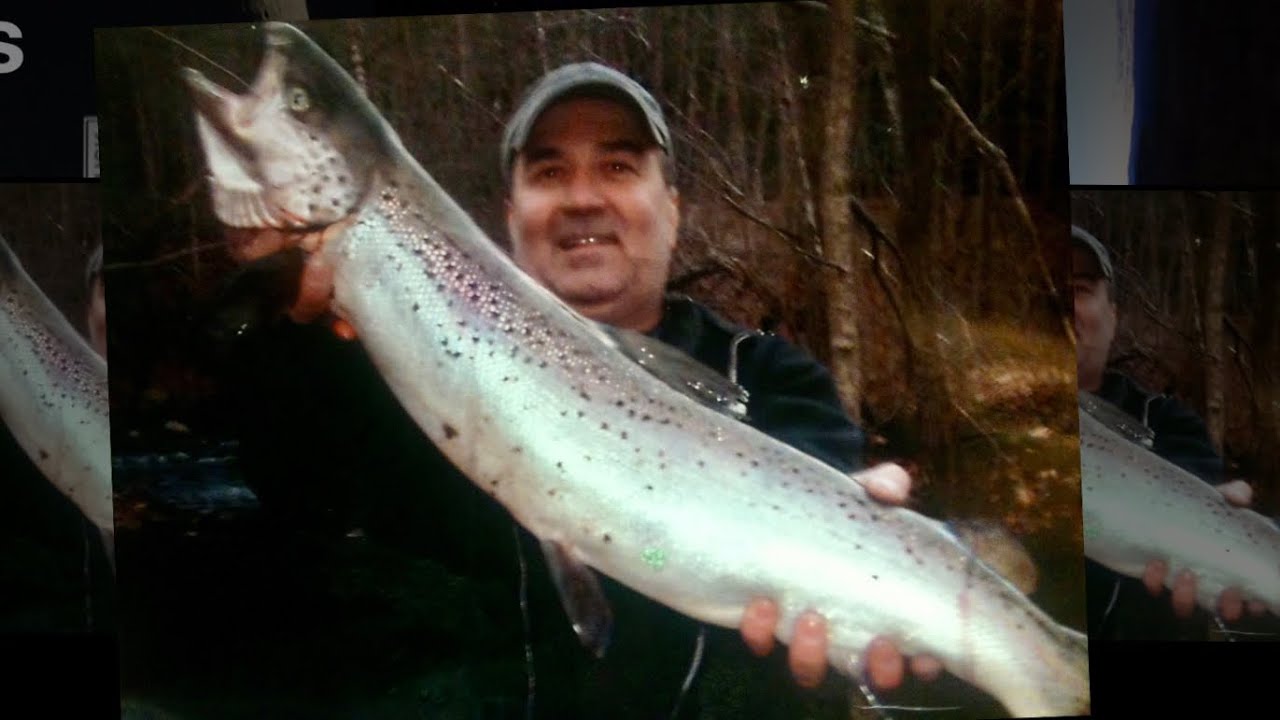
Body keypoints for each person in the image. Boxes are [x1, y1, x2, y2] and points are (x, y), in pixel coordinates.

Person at [224, 62, 947, 717]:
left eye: (618, 166)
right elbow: (296, 486)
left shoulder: (773, 380)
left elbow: (832, 500)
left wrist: (876, 532)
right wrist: (290, 333)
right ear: (510, 219)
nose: (581, 198)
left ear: (672, 209)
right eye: (548, 172)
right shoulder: (408, 373)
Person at [1073, 224, 1267, 640]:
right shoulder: (981, 432)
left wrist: (1231, 521)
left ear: (1113, 317)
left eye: (1079, 289)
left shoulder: (1170, 424)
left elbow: (1210, 496)